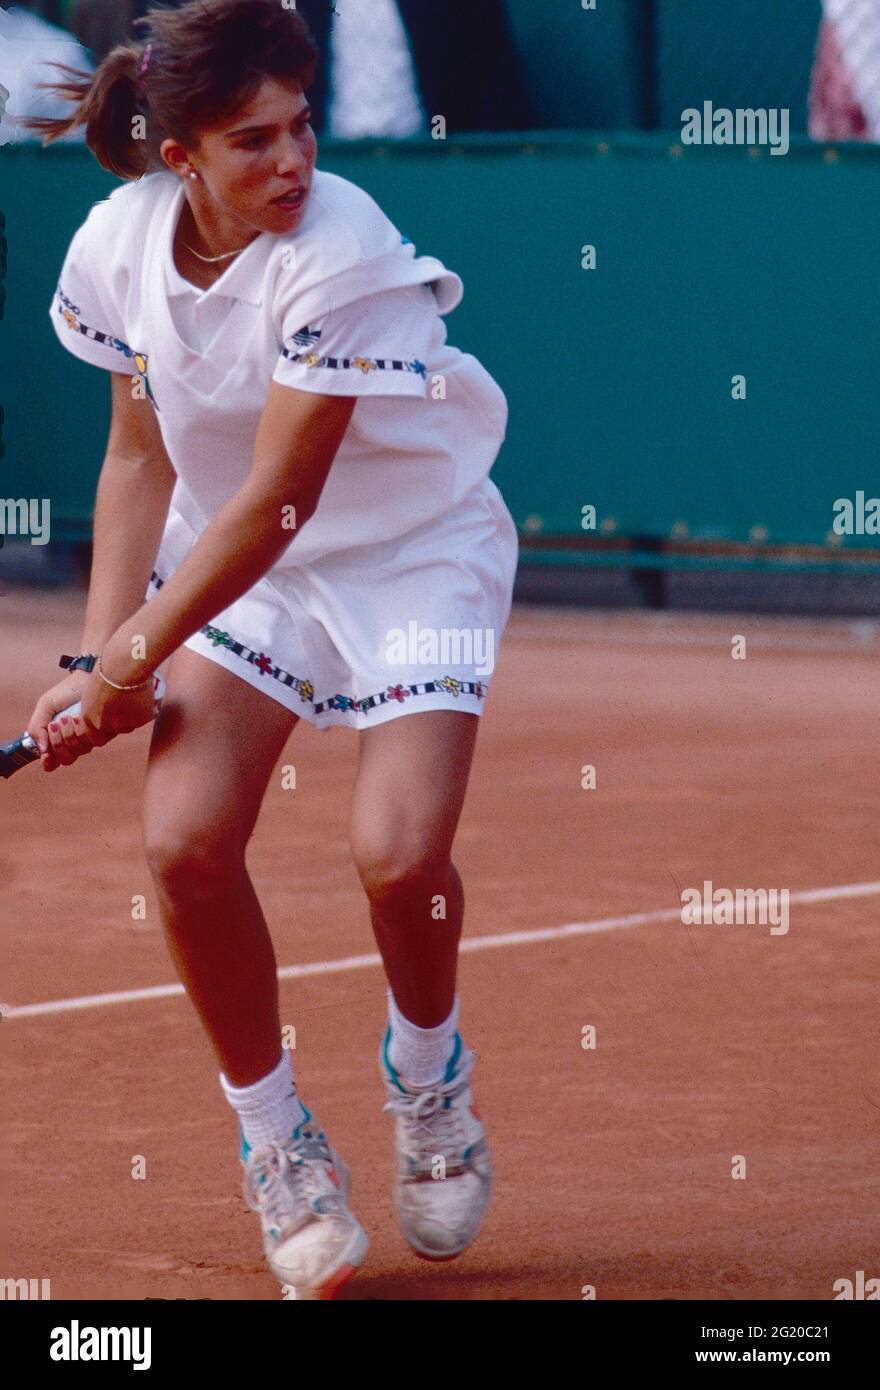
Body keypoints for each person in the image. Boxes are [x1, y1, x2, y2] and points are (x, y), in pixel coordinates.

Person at [24, 0, 518, 1299]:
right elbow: (139, 455)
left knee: (399, 852)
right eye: (255, 141)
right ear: (179, 154)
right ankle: (279, 1147)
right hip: (243, 577)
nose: (295, 161)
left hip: (410, 550)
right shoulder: (114, 247)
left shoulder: (339, 243)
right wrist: (93, 661)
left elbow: (281, 499)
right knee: (184, 843)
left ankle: (430, 1086)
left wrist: (137, 649)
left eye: (303, 127)